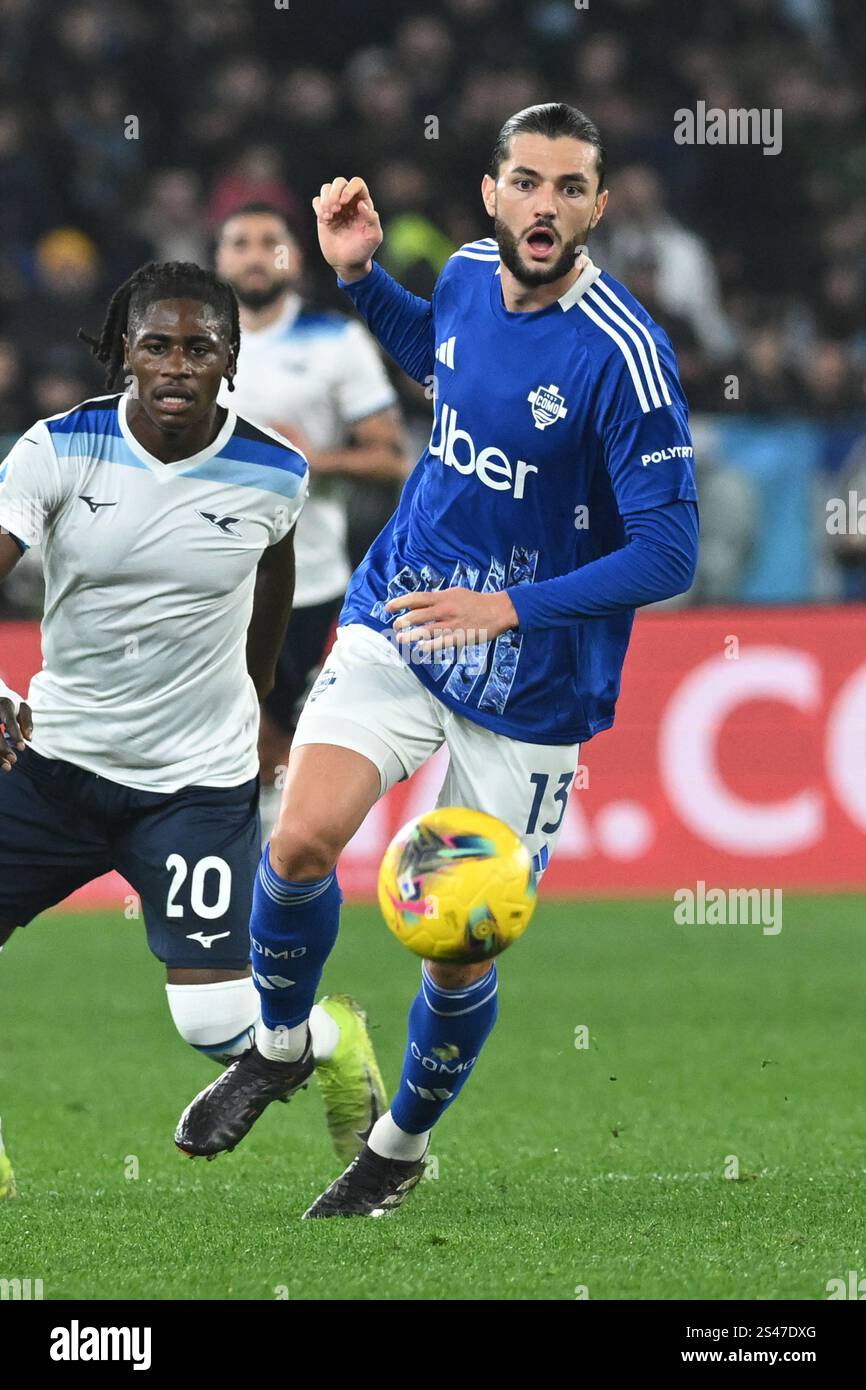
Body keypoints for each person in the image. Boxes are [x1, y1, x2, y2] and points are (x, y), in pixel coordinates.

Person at [175, 104, 699, 1219]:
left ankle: (396, 1149)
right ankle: (275, 1047)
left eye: (568, 188)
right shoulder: (463, 276)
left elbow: (668, 549)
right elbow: (443, 364)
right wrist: (362, 278)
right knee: (302, 836)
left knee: (456, 946)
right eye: (525, 182)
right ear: (490, 192)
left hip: (532, 682)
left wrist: (507, 606)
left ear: (598, 207)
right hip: (408, 608)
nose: (543, 205)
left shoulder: (623, 355)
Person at [0, 261, 385, 1178]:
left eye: (198, 348)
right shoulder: (56, 449)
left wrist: (260, 710)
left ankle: (331, 1045)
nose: (177, 367)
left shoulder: (275, 472)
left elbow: (272, 587)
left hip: (193, 783)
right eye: (157, 346)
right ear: (123, 354)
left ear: (231, 358)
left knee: (213, 1024)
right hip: (55, 761)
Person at [214, 203, 408, 829]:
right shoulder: (192, 346)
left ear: (293, 259)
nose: (253, 252)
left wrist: (310, 458)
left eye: (269, 241)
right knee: (227, 732)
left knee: (282, 741)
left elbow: (391, 457)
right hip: (209, 577)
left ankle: (274, 875)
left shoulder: (335, 341)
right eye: (238, 241)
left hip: (307, 578)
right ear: (220, 262)